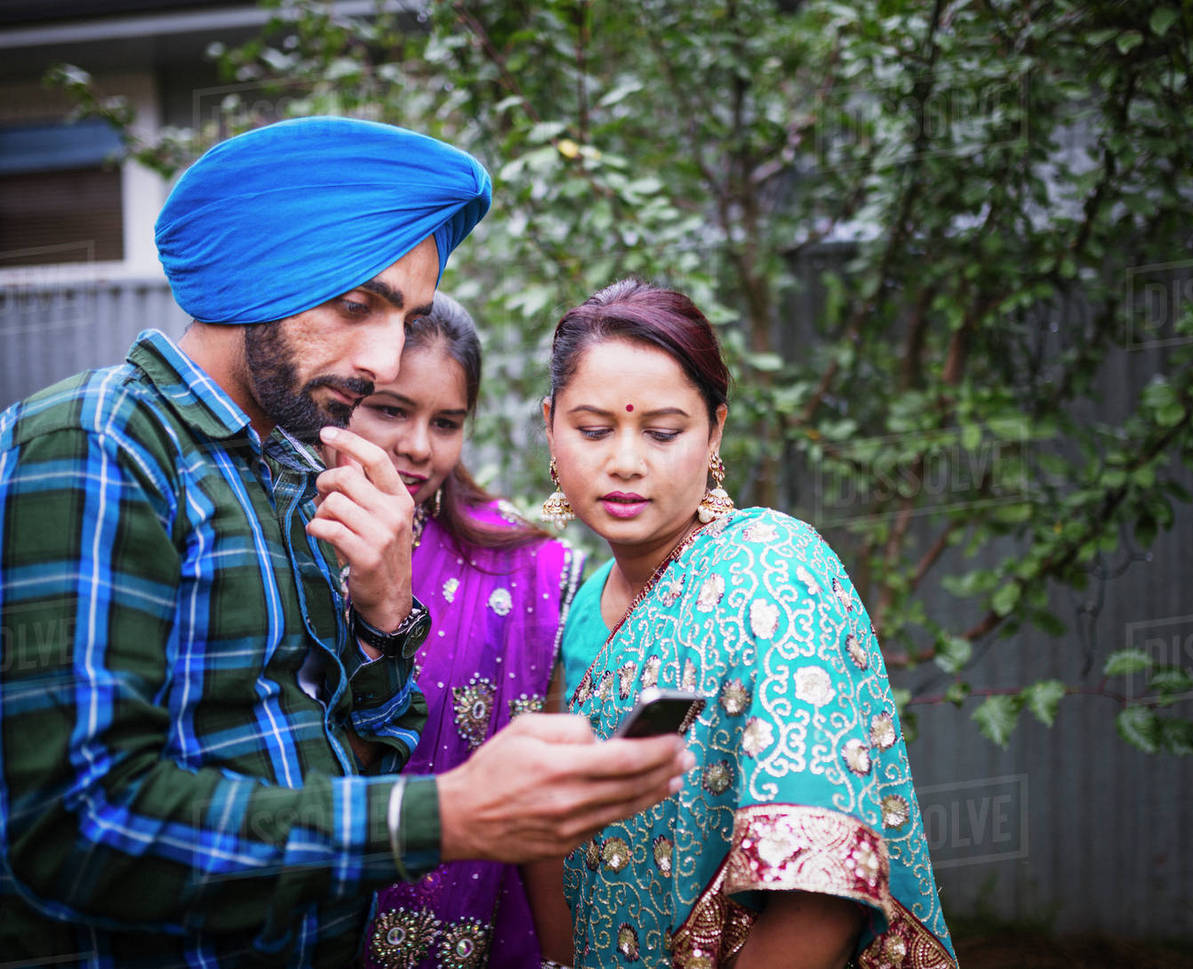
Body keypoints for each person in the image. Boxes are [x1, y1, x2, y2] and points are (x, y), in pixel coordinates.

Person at [0, 120, 690, 969]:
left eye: (405, 315)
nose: (383, 357)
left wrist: (384, 619)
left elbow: (342, 766)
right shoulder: (102, 438)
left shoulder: (288, 476)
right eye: (356, 304)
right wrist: (451, 814)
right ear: (260, 267)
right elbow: (77, 825)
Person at [541, 279, 958, 969]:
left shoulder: (769, 572)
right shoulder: (579, 608)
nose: (624, 462)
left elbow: (819, 893)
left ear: (716, 433)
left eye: (663, 431)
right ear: (549, 424)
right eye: (593, 429)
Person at [347, 292, 586, 969]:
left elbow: (544, 812)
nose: (418, 446)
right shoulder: (277, 543)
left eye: (446, 422)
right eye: (391, 409)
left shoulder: (525, 572)